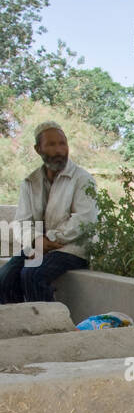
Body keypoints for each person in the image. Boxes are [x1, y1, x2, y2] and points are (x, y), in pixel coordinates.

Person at [0, 121, 98, 304]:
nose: (59, 150)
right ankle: (21, 324)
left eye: (62, 143)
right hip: (38, 246)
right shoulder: (30, 182)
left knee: (32, 274)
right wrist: (36, 240)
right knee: (4, 278)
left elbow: (84, 220)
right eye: (51, 145)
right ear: (38, 149)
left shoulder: (83, 179)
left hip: (71, 249)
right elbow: (21, 221)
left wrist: (48, 240)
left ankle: (49, 325)